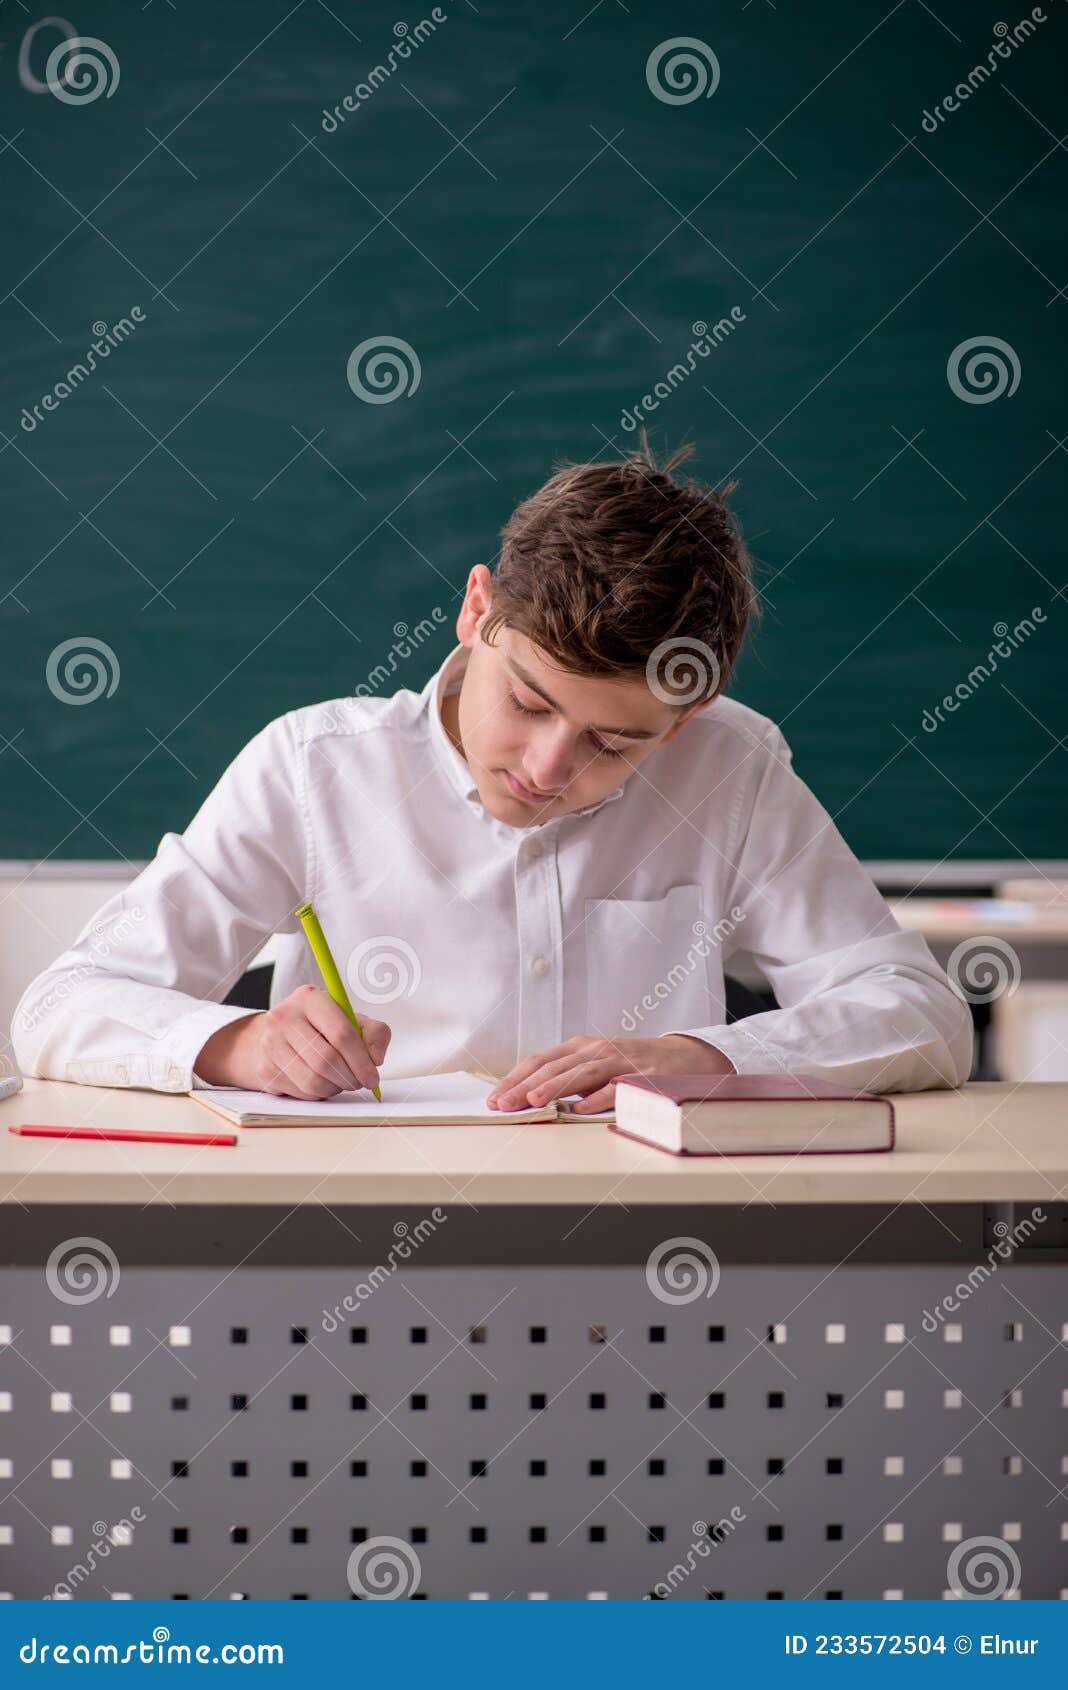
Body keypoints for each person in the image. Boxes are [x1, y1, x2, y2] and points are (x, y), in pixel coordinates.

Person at [12, 439, 972, 1109]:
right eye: (528, 701)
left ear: (684, 720)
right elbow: (61, 1006)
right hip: (345, 1247)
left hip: (648, 1249)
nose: (548, 769)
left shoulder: (734, 769)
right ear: (477, 611)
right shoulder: (315, 769)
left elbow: (923, 1014)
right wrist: (236, 1044)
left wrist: (697, 1057)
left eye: (615, 744)